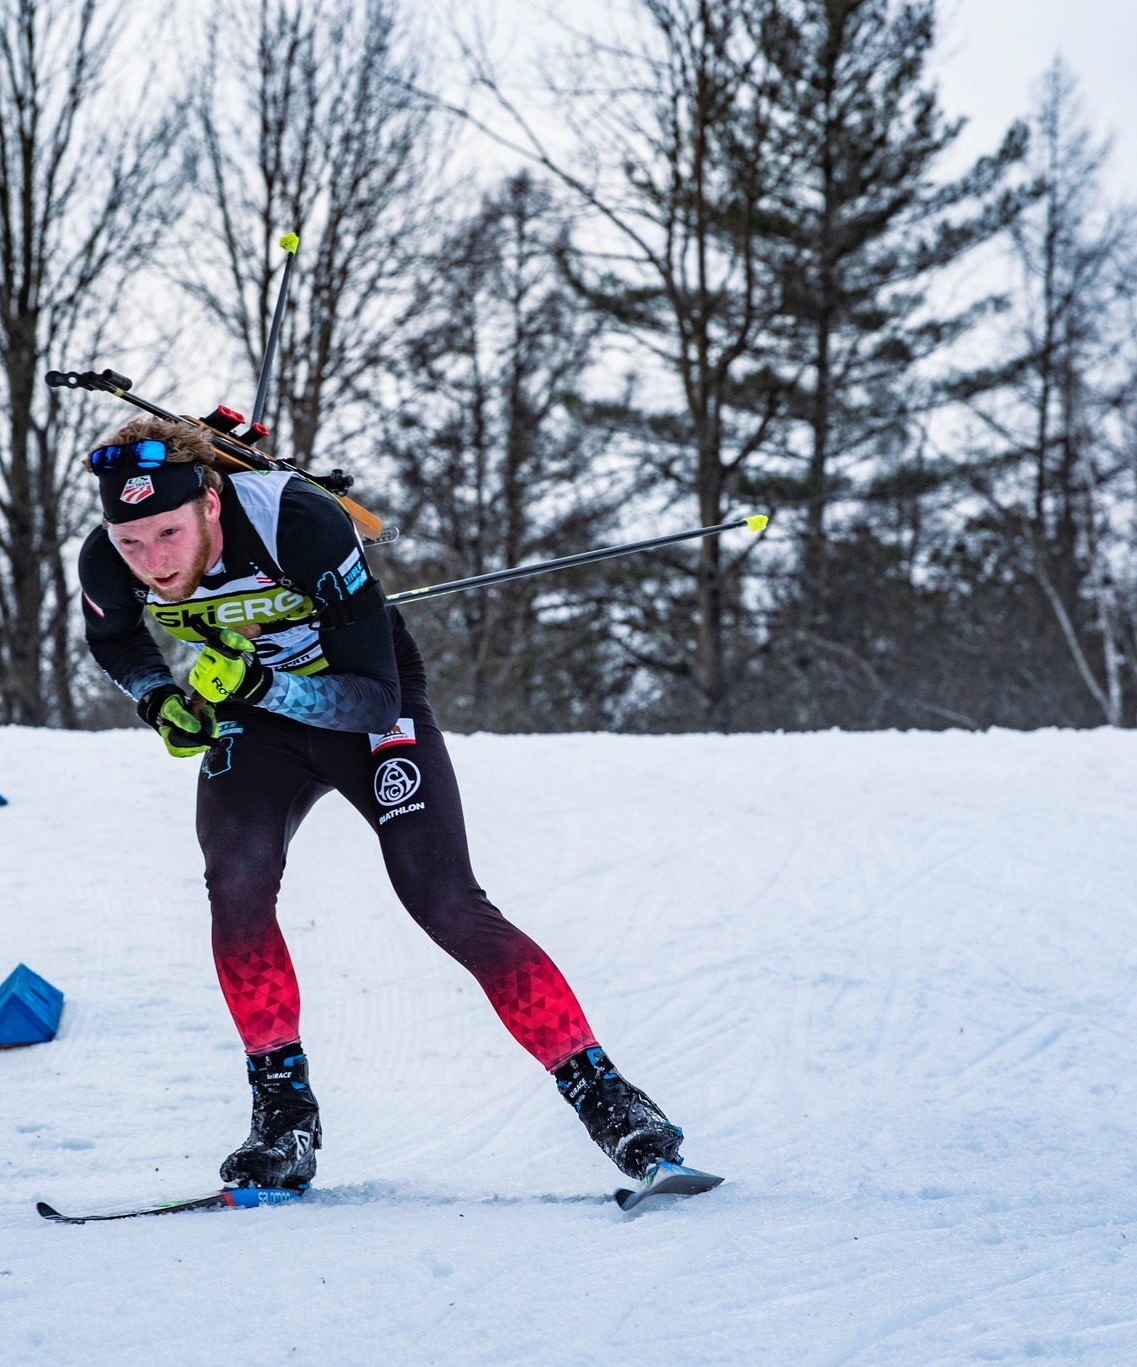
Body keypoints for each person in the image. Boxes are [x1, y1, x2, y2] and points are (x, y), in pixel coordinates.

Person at [77, 416, 687, 1191]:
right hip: (256, 724)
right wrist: (162, 699)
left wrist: (261, 682)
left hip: (362, 702)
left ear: (211, 501)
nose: (154, 563)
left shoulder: (296, 521)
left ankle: (614, 1104)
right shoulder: (108, 557)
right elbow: (117, 641)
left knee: (445, 900)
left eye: (167, 533)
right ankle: (284, 1121)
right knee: (234, 884)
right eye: (132, 542)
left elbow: (372, 699)